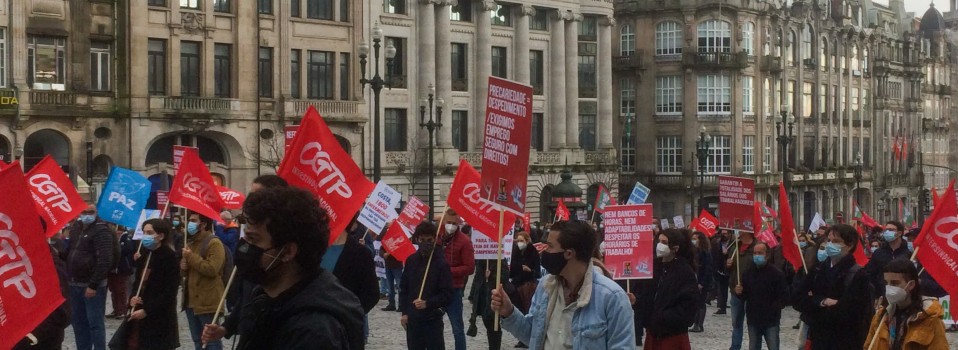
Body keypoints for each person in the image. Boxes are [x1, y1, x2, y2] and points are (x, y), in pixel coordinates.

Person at [202, 186, 365, 349]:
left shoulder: (314, 332)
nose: (244, 247)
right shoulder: (265, 297)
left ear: (288, 252)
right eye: (246, 238)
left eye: (253, 240)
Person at [491, 220, 635, 349]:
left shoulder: (612, 297)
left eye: (550, 246)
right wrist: (509, 311)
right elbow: (533, 335)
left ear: (569, 254)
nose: (544, 250)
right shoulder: (546, 286)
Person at [791, 224, 873, 350]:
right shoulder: (817, 270)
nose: (830, 245)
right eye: (828, 241)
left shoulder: (858, 274)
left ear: (849, 245)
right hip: (818, 337)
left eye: (836, 241)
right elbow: (797, 298)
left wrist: (815, 305)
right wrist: (821, 301)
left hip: (846, 340)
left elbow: (853, 310)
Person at [863, 258, 949, 349]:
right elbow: (868, 346)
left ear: (911, 285)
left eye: (895, 283)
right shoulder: (881, 317)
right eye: (886, 283)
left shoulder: (929, 319)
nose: (889, 288)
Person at [122, 219, 181, 350]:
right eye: (144, 232)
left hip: (159, 316)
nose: (145, 236)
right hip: (140, 311)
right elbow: (137, 282)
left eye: (149, 233)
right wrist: (132, 298)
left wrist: (147, 310)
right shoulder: (146, 254)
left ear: (161, 236)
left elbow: (169, 291)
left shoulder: (169, 257)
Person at [637, 228, 699, 349]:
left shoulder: (684, 272)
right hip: (653, 332)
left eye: (664, 242)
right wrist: (637, 300)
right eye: (659, 241)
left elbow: (689, 306)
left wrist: (662, 316)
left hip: (672, 334)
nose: (660, 245)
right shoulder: (653, 267)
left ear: (675, 248)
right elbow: (647, 294)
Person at [323, 214, 380, 343]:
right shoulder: (312, 251)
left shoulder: (361, 253)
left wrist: (350, 315)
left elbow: (371, 294)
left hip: (345, 331)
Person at [66, 205, 115, 350]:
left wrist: (93, 284)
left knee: (95, 323)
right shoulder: (76, 228)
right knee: (78, 322)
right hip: (74, 283)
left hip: (92, 286)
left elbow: (105, 259)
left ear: (96, 213)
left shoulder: (102, 230)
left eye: (90, 212)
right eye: (84, 212)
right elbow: (70, 251)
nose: (87, 215)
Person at [400, 221, 454, 350]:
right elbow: (404, 288)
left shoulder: (441, 264)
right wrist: (404, 312)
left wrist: (428, 303)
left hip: (432, 319)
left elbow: (447, 294)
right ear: (417, 240)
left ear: (434, 239)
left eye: (429, 240)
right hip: (413, 320)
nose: (425, 243)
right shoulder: (411, 261)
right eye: (422, 240)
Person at [15, 238, 72, 350]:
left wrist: (28, 334)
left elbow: (62, 314)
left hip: (40, 342)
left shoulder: (50, 265)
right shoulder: (15, 262)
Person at [181, 212, 226, 350]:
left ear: (204, 224)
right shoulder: (190, 242)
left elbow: (212, 269)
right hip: (191, 300)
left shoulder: (214, 243)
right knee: (197, 340)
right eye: (189, 220)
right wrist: (183, 267)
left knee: (211, 341)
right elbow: (188, 272)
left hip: (207, 300)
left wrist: (190, 257)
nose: (190, 223)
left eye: (193, 220)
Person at [734, 242, 787, 350]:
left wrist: (774, 308)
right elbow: (744, 295)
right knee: (753, 346)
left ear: (767, 255)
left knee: (773, 346)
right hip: (753, 318)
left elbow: (784, 296)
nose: (757, 255)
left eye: (760, 253)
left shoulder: (776, 274)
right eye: (755, 253)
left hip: (771, 320)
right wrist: (739, 292)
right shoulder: (748, 273)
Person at [439, 209, 475, 350]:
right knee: (434, 326)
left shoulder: (465, 241)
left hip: (454, 289)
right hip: (436, 289)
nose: (451, 226)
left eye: (454, 223)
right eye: (449, 222)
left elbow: (470, 268)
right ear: (444, 221)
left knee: (457, 328)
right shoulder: (437, 237)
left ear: (459, 223)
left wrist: (449, 271)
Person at [864, 221, 911, 299]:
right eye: (886, 230)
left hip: (904, 295)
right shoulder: (878, 253)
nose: (887, 232)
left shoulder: (908, 253)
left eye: (891, 230)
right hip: (882, 295)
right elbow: (870, 274)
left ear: (899, 233)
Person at [727, 230, 756, 350]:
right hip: (736, 290)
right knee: (736, 322)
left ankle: (754, 346)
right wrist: (728, 264)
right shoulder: (735, 246)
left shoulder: (757, 247)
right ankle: (735, 347)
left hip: (752, 292)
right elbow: (730, 270)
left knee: (753, 323)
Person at [470, 258, 507, 350]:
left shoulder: (500, 259)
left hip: (493, 295)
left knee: (493, 324)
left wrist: (492, 275)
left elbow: (505, 277)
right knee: (486, 321)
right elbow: (477, 277)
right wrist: (472, 294)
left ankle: (494, 347)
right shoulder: (481, 259)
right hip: (482, 295)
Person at [107, 226, 136, 319]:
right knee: (113, 290)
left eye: (119, 230)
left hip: (122, 269)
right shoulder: (112, 239)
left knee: (121, 290)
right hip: (112, 269)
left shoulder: (126, 239)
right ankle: (116, 309)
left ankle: (122, 310)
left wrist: (116, 247)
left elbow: (126, 250)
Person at [690, 231, 713, 333]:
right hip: (695, 280)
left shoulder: (705, 252)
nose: (693, 241)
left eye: (695, 239)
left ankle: (699, 324)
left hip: (702, 282)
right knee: (696, 303)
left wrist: (702, 283)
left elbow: (708, 269)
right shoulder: (695, 251)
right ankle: (695, 323)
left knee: (701, 303)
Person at [381, 226, 404, 312]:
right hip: (388, 266)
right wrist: (383, 254)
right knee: (390, 287)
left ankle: (401, 305)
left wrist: (391, 253)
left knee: (399, 286)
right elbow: (381, 249)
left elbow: (401, 250)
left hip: (397, 266)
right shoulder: (387, 239)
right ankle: (391, 304)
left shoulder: (400, 239)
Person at [711, 229, 732, 315]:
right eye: (722, 233)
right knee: (722, 289)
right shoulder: (717, 242)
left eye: (725, 233)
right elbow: (714, 255)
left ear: (729, 234)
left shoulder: (733, 243)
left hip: (730, 269)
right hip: (719, 269)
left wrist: (727, 254)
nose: (723, 235)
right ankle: (721, 307)